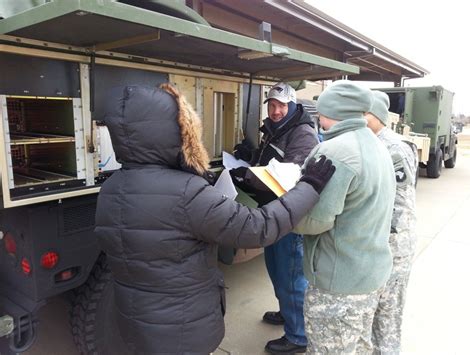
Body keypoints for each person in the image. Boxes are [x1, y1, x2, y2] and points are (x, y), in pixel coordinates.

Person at [94, 83, 335, 354]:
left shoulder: (111, 188)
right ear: (174, 133)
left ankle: (293, 325)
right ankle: (296, 331)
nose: (276, 110)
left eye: (282, 105)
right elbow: (259, 227)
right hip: (184, 331)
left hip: (135, 325)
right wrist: (310, 187)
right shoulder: (186, 192)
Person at [294, 80, 397, 354]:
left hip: (338, 284)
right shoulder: (378, 146)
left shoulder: (335, 151)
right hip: (369, 275)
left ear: (331, 110)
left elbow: (315, 221)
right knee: (358, 347)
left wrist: (285, 206)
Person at [233, 82, 318, 353]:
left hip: (290, 216)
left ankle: (298, 336)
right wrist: (249, 159)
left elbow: (288, 177)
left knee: (291, 274)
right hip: (273, 213)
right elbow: (269, 164)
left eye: (282, 106)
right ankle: (287, 313)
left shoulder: (302, 134)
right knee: (276, 269)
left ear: (292, 106)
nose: (276, 110)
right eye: (272, 105)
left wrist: (247, 176)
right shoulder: (275, 130)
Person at [365, 90, 418, 354]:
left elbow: (398, 205)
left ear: (375, 115)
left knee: (387, 321)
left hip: (393, 247)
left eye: (362, 113)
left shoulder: (392, 147)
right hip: (380, 246)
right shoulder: (373, 143)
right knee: (374, 318)